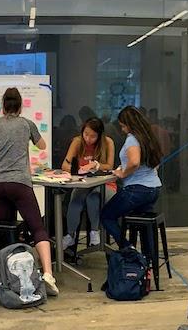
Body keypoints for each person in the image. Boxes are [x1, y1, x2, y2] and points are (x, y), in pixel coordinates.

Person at [0, 88, 61, 294]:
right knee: (37, 228)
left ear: (3, 105)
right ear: (21, 105)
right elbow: (42, 145)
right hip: (19, 183)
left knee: (6, 229)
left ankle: (8, 277)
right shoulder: (26, 124)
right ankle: (48, 275)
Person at [101, 106, 166, 249]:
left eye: (123, 126)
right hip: (153, 189)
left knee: (106, 216)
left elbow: (135, 162)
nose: (123, 130)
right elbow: (154, 163)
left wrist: (122, 173)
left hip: (136, 190)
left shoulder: (132, 139)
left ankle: (128, 250)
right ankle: (147, 262)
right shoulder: (147, 138)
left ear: (129, 125)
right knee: (143, 225)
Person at [61, 116, 116, 251]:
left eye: (93, 136)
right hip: (83, 182)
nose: (88, 139)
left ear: (100, 135)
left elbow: (109, 166)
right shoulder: (77, 142)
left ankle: (94, 231)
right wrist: (78, 170)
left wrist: (96, 166)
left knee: (94, 197)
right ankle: (70, 234)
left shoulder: (108, 142)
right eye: (86, 134)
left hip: (105, 184)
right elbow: (64, 165)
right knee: (76, 199)